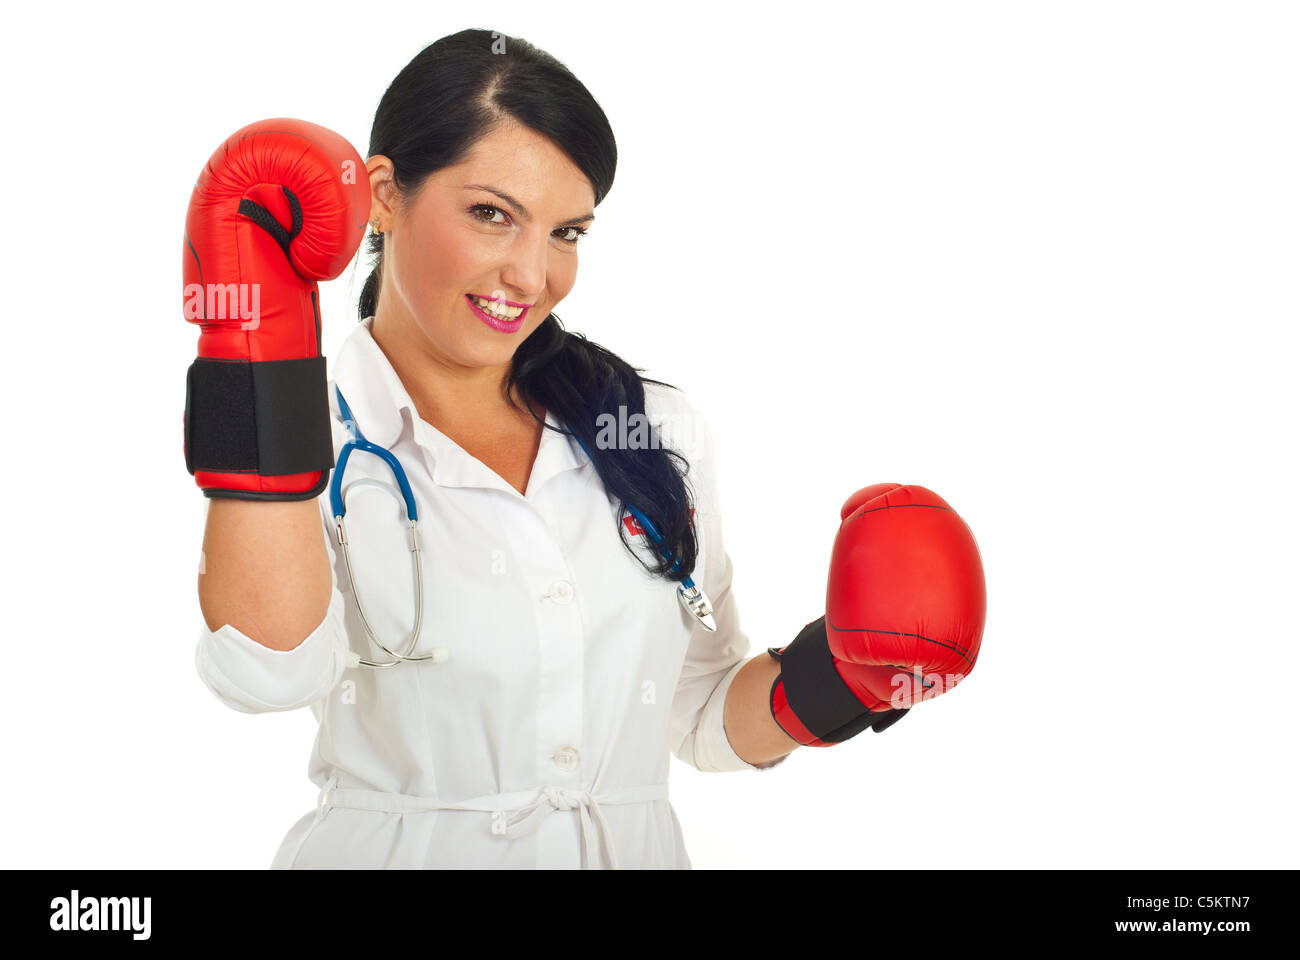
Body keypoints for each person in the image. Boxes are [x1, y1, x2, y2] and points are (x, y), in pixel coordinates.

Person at [187, 28, 985, 870]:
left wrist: (848, 679)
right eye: (492, 215)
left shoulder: (649, 429)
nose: (532, 276)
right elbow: (266, 674)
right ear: (382, 195)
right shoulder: (302, 430)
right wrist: (253, 345)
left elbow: (700, 710)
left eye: (567, 233)